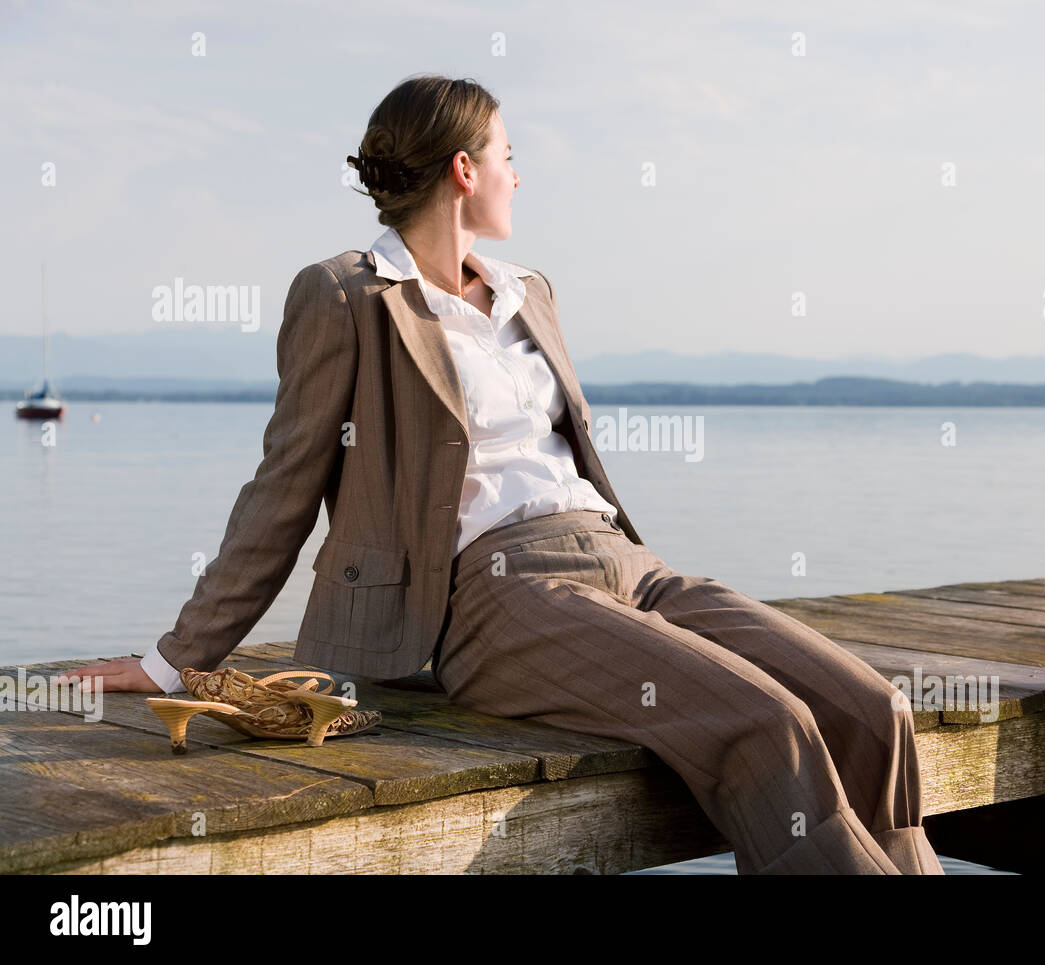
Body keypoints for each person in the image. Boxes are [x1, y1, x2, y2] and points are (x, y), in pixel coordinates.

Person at [62, 74, 944, 876]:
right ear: (463, 170)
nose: (519, 176)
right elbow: (283, 486)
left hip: (626, 565)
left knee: (872, 710)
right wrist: (176, 660)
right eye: (508, 157)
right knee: (769, 727)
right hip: (492, 598)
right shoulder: (348, 297)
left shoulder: (531, 291)